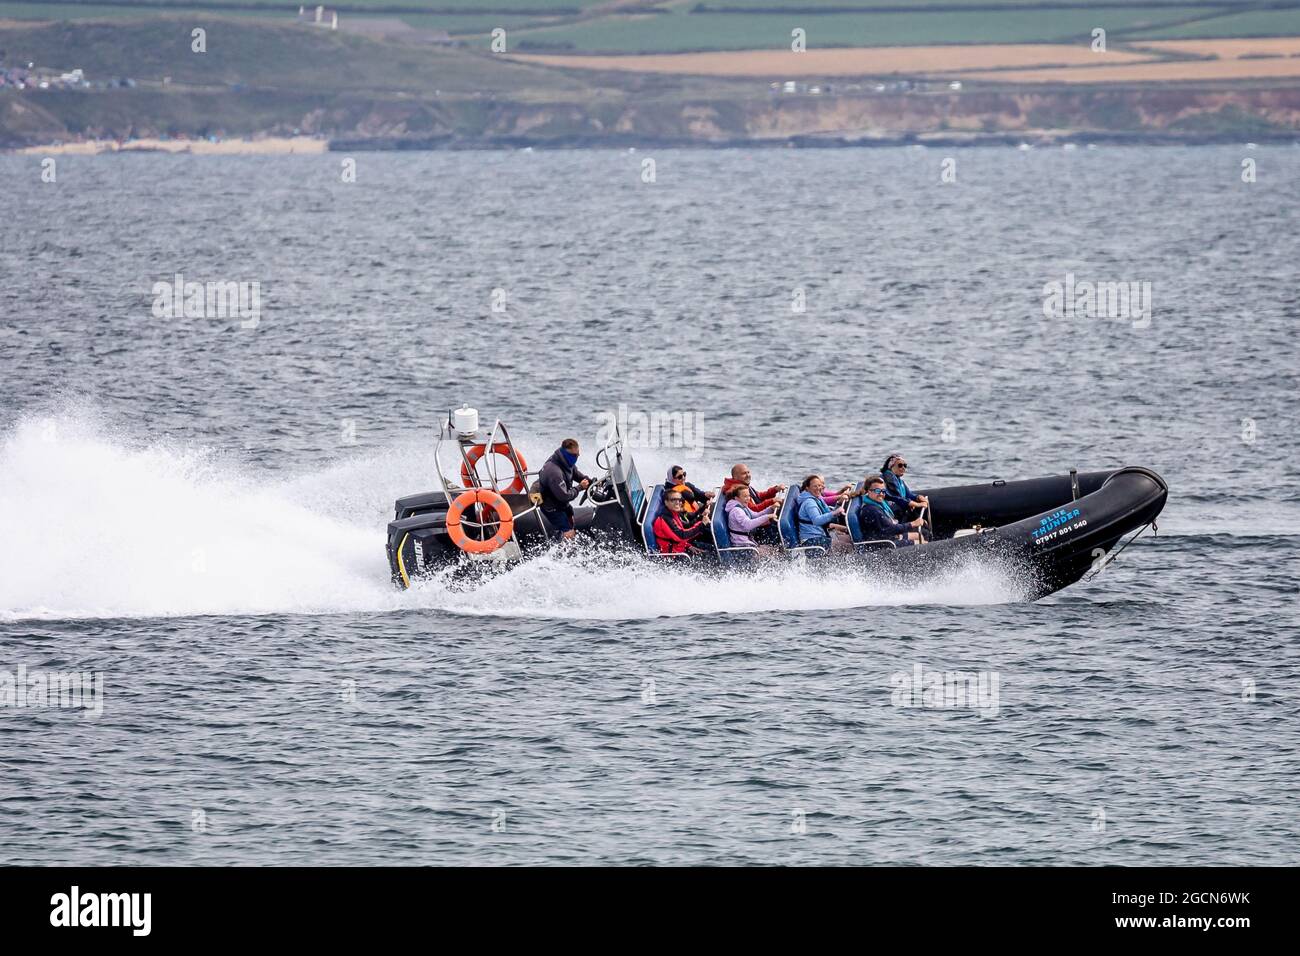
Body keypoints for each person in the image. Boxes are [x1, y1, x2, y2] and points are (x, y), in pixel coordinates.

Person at [538, 438, 590, 539]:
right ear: (565, 453)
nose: (577, 456)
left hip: (561, 504)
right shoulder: (554, 472)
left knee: (570, 519)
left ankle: (560, 537)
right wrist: (580, 488)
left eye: (578, 454)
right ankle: (562, 552)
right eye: (575, 455)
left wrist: (590, 481)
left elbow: (576, 474)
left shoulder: (566, 462)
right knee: (568, 531)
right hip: (552, 507)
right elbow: (564, 496)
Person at [859, 476, 925, 546]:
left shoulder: (878, 504)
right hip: (882, 543)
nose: (881, 494)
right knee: (923, 543)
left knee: (920, 536)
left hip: (887, 536)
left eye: (883, 491)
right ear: (868, 491)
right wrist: (913, 524)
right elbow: (890, 529)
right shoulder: (871, 510)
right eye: (877, 491)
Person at [793, 474, 848, 555]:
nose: (818, 488)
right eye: (815, 486)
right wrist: (834, 513)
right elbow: (817, 520)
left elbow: (827, 514)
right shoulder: (809, 502)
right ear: (807, 488)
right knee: (847, 546)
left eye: (819, 485)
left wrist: (839, 504)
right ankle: (847, 566)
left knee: (849, 539)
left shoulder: (817, 498)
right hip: (811, 540)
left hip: (820, 534)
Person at [724, 485, 778, 557]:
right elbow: (748, 525)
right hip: (742, 545)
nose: (748, 499)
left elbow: (755, 515)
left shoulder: (742, 506)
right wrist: (767, 517)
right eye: (745, 496)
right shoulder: (736, 511)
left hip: (747, 541)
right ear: (736, 498)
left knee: (773, 550)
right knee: (774, 554)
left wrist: (771, 508)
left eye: (748, 496)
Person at [653, 489, 712, 556]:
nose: (678, 502)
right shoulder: (665, 519)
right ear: (666, 502)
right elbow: (682, 536)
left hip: (681, 547)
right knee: (709, 555)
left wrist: (701, 517)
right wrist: (702, 525)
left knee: (710, 549)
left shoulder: (673, 513)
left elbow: (687, 526)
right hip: (673, 556)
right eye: (673, 500)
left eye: (679, 499)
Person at [881, 454, 929, 520]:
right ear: (891, 466)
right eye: (900, 465)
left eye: (905, 465)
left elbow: (909, 495)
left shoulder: (899, 481)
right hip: (891, 511)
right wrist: (914, 504)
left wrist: (918, 497)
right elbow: (895, 497)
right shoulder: (888, 478)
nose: (903, 468)